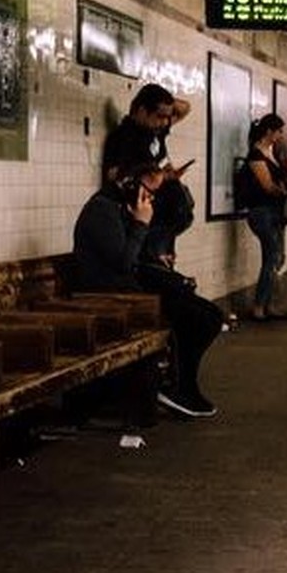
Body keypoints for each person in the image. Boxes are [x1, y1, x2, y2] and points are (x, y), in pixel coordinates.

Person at [72, 161, 224, 419]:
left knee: (211, 315)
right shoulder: (101, 210)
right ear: (130, 183)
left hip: (130, 289)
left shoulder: (121, 206)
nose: (151, 198)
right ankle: (177, 387)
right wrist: (141, 223)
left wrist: (155, 256)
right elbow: (123, 263)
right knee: (197, 320)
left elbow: (134, 255)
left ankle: (182, 385)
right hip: (108, 295)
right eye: (149, 191)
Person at [101, 82, 195, 267]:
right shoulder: (124, 137)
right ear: (142, 111)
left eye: (167, 117)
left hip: (166, 218)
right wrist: (157, 176)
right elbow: (113, 175)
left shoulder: (156, 130)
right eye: (160, 116)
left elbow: (185, 108)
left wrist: (165, 102)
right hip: (146, 216)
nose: (165, 122)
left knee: (165, 265)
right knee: (152, 266)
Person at [239, 113, 287, 322]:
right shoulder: (256, 155)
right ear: (269, 131)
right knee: (272, 257)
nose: (280, 135)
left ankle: (268, 305)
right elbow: (267, 186)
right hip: (262, 212)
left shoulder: (270, 153)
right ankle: (260, 306)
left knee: (277, 257)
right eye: (279, 131)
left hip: (273, 213)